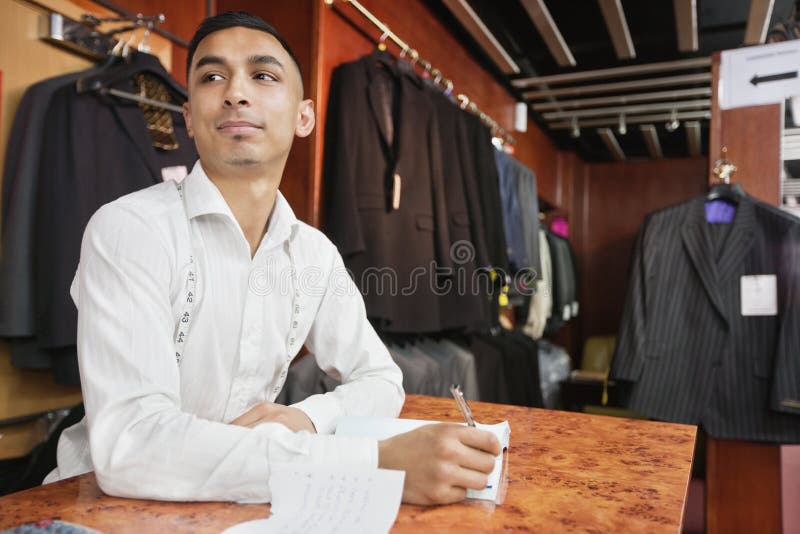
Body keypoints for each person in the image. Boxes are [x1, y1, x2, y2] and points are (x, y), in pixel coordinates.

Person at [44, 11, 500, 505]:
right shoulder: (132, 231)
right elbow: (134, 447)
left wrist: (308, 418)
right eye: (212, 76)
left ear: (304, 116)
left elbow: (381, 377)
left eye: (263, 76)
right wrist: (371, 462)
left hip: (242, 506)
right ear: (190, 118)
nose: (236, 92)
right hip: (102, 508)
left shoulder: (313, 254)